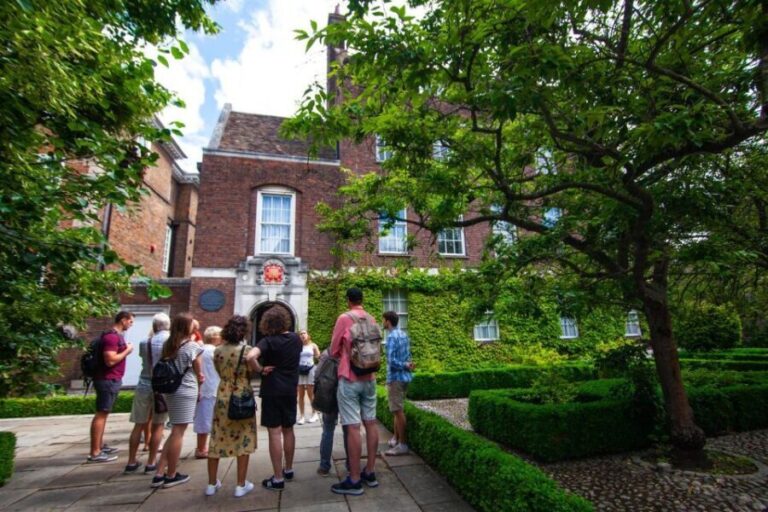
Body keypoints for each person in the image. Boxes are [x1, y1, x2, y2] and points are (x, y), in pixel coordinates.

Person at [329, 288, 380, 495]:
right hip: (370, 377)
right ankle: (370, 471)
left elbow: (333, 350)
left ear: (348, 300)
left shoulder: (344, 318)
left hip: (350, 378)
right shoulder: (371, 317)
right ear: (362, 300)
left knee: (352, 427)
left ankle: (355, 479)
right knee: (371, 422)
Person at [245, 306, 301, 491]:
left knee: (274, 433)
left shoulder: (267, 341)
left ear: (267, 323)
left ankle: (277, 478)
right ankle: (289, 469)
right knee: (288, 429)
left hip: (271, 390)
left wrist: (260, 369)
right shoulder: (295, 339)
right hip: (290, 390)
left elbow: (250, 356)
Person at [206, 316, 258, 498]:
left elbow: (219, 371)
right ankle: (240, 485)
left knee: (216, 438)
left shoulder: (218, 351)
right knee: (244, 438)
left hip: (222, 395)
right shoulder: (247, 350)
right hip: (242, 395)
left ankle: (211, 484)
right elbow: (253, 371)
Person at [151, 313, 204, 489]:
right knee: (178, 433)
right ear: (185, 327)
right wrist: (200, 381)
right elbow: (200, 373)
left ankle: (159, 472)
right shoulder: (192, 346)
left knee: (175, 430)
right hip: (186, 389)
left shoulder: (169, 345)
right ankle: (171, 474)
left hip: (171, 390)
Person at [124, 313, 170, 473]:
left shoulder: (144, 341)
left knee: (139, 425)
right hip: (161, 386)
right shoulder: (170, 341)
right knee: (158, 425)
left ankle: (131, 461)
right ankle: (151, 462)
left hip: (144, 383)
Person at [88, 311, 134, 463]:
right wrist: (127, 350)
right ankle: (95, 452)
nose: (131, 324)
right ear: (123, 320)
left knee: (104, 413)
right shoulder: (111, 337)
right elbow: (110, 360)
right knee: (101, 413)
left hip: (111, 379)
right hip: (107, 379)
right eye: (130, 321)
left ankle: (99, 446)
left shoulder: (113, 336)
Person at [382, 311, 414, 456]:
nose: (382, 322)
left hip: (396, 377)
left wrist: (405, 365)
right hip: (405, 378)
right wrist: (408, 365)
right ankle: (395, 439)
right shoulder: (404, 334)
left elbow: (391, 361)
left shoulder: (391, 337)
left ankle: (403, 444)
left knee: (398, 411)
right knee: (397, 409)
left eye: (383, 320)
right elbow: (409, 356)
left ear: (388, 321)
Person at [317, 348, 349, 477]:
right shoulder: (348, 351)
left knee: (328, 430)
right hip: (346, 393)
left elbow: (318, 374)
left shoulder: (327, 353)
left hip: (329, 395)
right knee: (348, 430)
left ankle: (324, 466)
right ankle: (351, 464)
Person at [194, 326, 222, 459]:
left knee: (203, 418)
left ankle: (201, 446)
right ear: (215, 337)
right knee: (208, 420)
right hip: (212, 387)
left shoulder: (201, 349)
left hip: (203, 388)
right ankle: (202, 448)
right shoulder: (214, 351)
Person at [296, 329, 320, 425]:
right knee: (300, 394)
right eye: (301, 334)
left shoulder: (313, 345)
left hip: (310, 369)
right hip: (300, 370)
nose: (302, 335)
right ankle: (302, 416)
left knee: (311, 393)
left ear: (308, 334)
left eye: (304, 333)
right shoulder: (297, 346)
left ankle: (314, 414)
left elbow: (319, 356)